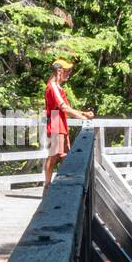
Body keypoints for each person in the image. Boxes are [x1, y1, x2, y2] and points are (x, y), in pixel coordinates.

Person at [44, 59, 93, 187]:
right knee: (55, 155)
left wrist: (83, 114)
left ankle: (65, 183)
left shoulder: (59, 88)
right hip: (55, 122)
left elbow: (67, 108)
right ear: (59, 71)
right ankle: (48, 185)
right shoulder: (53, 86)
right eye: (67, 71)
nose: (69, 73)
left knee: (65, 154)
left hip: (60, 122)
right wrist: (82, 118)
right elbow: (63, 107)